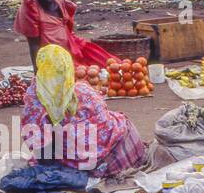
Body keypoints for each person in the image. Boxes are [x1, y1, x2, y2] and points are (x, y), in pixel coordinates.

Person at [19, 45, 146, 179]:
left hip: (86, 161)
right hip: (122, 151)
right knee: (114, 119)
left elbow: (42, 151)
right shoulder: (84, 89)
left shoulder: (35, 101)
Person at [14, 0, 113, 69]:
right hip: (53, 57)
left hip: (72, 47)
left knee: (110, 63)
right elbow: (34, 44)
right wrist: (38, 71)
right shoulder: (31, 9)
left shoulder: (61, 4)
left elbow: (68, 30)